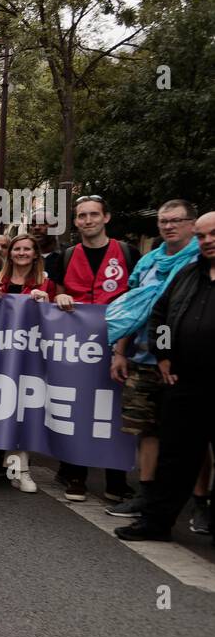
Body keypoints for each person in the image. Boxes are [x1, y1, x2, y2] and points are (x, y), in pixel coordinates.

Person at [116, 211, 215, 542]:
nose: (207, 241)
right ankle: (156, 523)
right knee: (175, 454)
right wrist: (165, 355)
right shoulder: (188, 273)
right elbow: (160, 313)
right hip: (184, 380)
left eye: (212, 234)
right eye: (202, 236)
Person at [93, 198, 196, 513]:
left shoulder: (199, 263)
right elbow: (130, 310)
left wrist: (167, 351)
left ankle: (200, 502)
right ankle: (147, 495)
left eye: (176, 220)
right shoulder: (148, 262)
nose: (168, 226)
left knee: (193, 435)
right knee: (146, 430)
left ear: (191, 224)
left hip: (185, 362)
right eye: (164, 221)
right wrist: (120, 351)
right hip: (142, 358)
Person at [50, 196, 145, 504]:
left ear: (106, 218)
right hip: (76, 349)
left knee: (115, 410)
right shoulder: (66, 256)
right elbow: (57, 293)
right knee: (77, 408)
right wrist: (59, 300)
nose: (87, 220)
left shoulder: (128, 253)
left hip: (119, 346)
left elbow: (137, 299)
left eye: (93, 215)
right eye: (81, 216)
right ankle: (75, 474)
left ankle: (115, 479)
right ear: (75, 222)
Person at [0, 234, 54, 493]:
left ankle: (18, 469)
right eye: (17, 248)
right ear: (10, 253)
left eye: (27, 249)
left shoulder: (46, 283)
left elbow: (56, 320)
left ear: (35, 254)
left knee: (22, 413)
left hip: (27, 359)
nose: (21, 253)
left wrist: (46, 303)